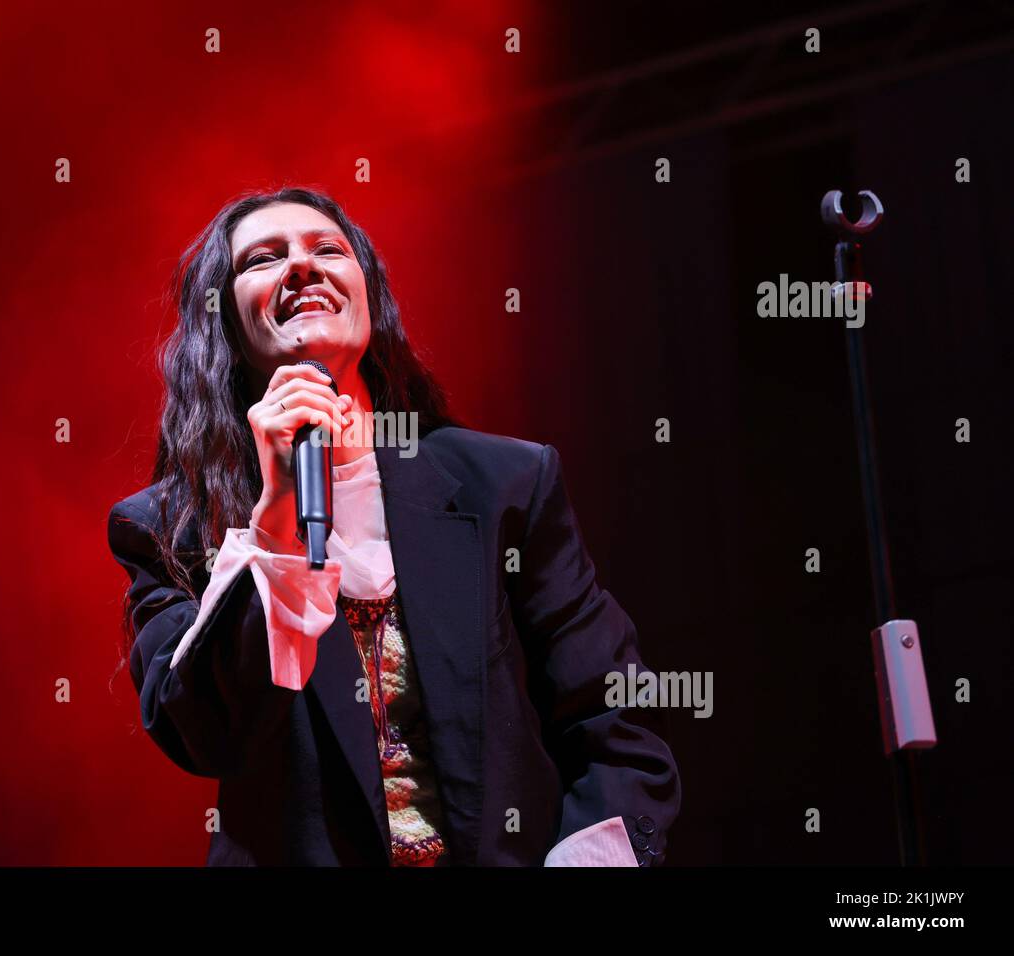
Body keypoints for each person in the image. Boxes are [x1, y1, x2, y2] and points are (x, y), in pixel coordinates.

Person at [108, 186, 680, 866]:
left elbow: (611, 712)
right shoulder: (168, 527)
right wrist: (275, 522)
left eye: (327, 250)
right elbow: (206, 734)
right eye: (263, 259)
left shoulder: (504, 483)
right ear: (222, 320)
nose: (301, 266)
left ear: (369, 297)